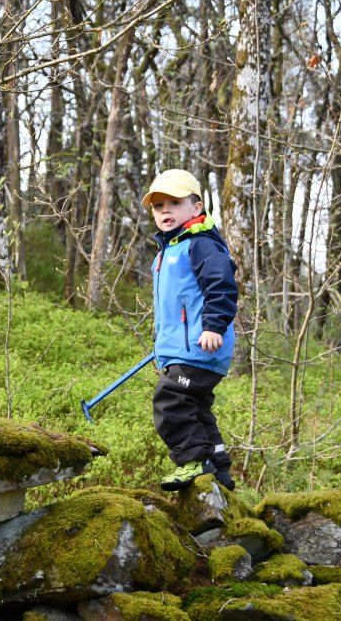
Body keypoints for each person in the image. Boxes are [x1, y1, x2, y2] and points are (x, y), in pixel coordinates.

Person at [142, 169, 238, 491]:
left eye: (174, 202)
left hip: (203, 346)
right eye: (158, 206)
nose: (165, 210)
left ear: (196, 208)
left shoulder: (200, 245)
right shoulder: (167, 252)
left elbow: (221, 287)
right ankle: (219, 470)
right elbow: (174, 308)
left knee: (170, 399)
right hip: (181, 350)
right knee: (195, 407)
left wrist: (214, 326)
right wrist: (161, 343)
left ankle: (194, 463)